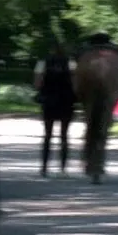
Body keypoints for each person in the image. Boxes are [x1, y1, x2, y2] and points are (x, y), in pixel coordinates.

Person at [34, 40, 77, 177]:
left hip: (49, 102)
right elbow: (75, 83)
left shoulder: (43, 62)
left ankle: (44, 168)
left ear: (52, 50)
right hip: (66, 102)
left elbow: (37, 83)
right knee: (64, 136)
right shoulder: (70, 63)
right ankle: (63, 169)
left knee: (47, 135)